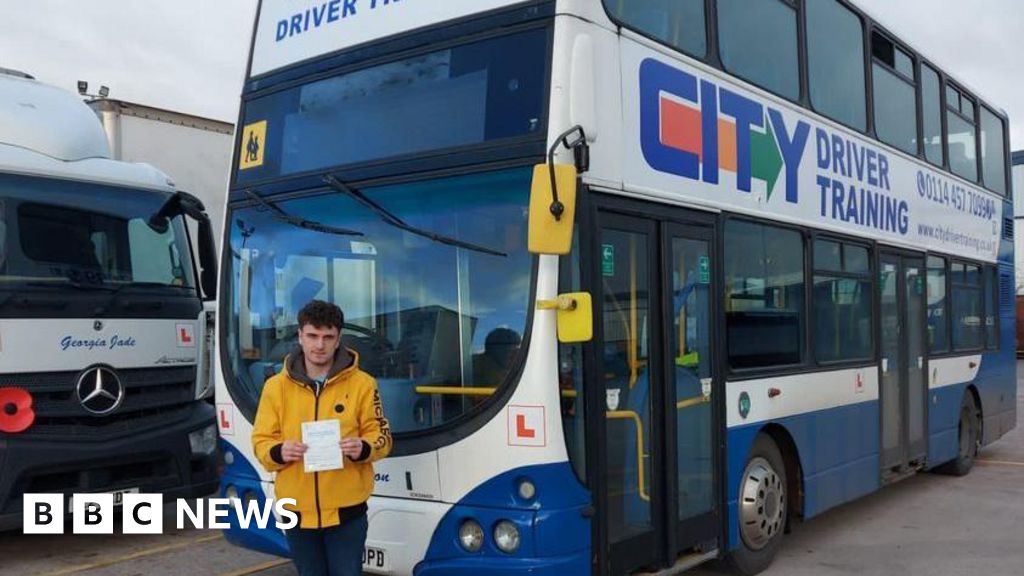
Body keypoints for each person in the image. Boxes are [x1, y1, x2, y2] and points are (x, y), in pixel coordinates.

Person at [252, 299, 392, 576]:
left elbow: (382, 437)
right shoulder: (275, 387)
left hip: (347, 513)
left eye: (328, 337)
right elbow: (261, 441)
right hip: (296, 512)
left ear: (338, 339)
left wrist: (363, 448)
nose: (320, 345)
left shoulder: (363, 384)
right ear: (300, 337)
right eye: (313, 336)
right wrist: (279, 452)